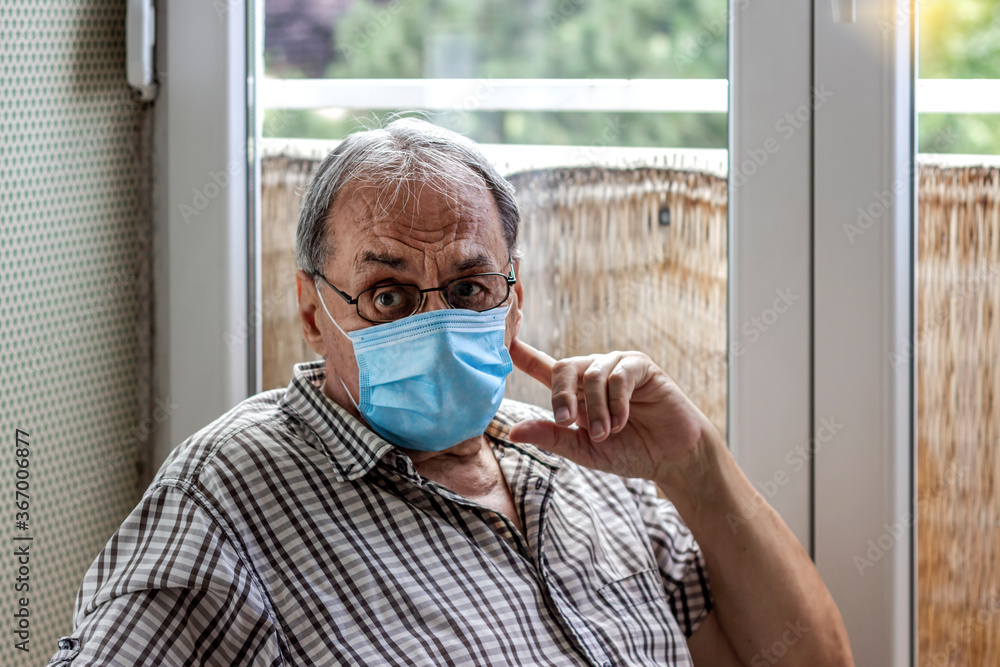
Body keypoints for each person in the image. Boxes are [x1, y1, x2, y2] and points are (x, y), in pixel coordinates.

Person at [51, 118, 853, 666]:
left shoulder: (587, 464)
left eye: (469, 287)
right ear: (312, 309)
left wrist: (695, 466)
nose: (434, 321)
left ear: (513, 300)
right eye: (390, 295)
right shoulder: (231, 487)